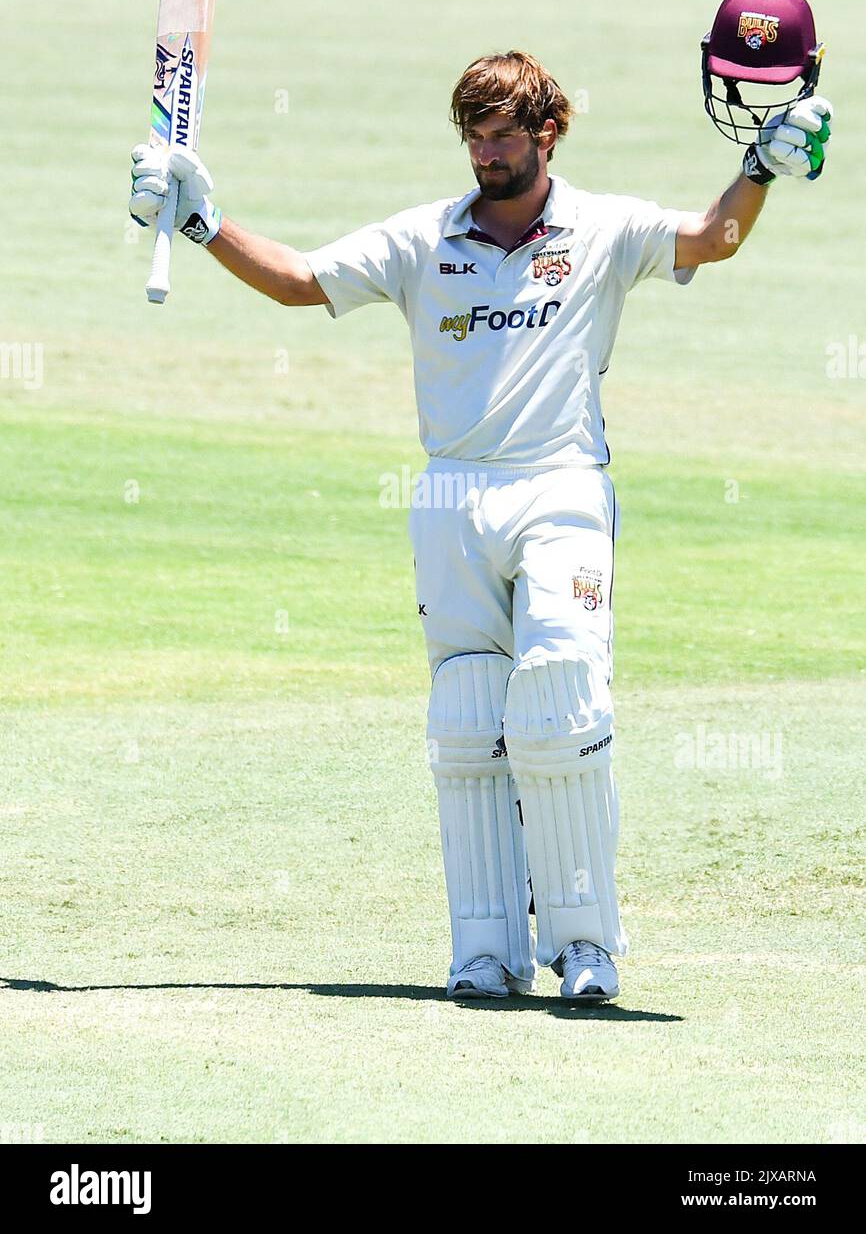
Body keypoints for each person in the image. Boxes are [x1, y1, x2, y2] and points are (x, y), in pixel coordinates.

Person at [129, 49, 832, 1003]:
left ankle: (586, 947)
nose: (486, 151)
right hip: (449, 496)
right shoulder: (427, 238)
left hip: (561, 487)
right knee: (467, 722)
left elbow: (713, 239)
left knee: (560, 702)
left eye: (504, 133)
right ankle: (486, 952)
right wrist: (201, 220)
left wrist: (760, 169)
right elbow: (300, 281)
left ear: (548, 134)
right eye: (474, 133)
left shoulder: (606, 228)